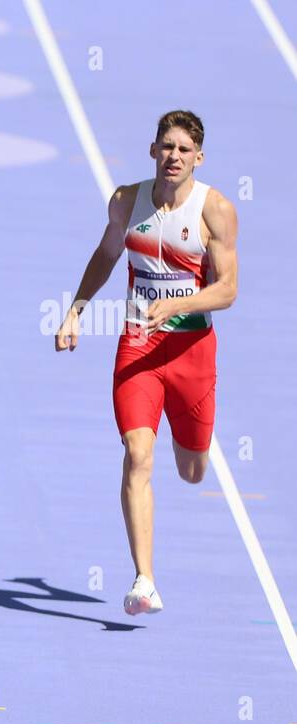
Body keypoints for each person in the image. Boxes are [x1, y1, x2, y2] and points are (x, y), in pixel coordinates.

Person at [56, 110, 238, 615]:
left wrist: (176, 306)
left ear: (198, 158)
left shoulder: (215, 210)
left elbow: (228, 290)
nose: (173, 156)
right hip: (138, 346)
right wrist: (76, 311)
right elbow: (107, 254)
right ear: (153, 151)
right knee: (137, 455)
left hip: (192, 353)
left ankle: (194, 446)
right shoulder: (125, 202)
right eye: (166, 147)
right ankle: (144, 579)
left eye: (184, 150)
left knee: (192, 469)